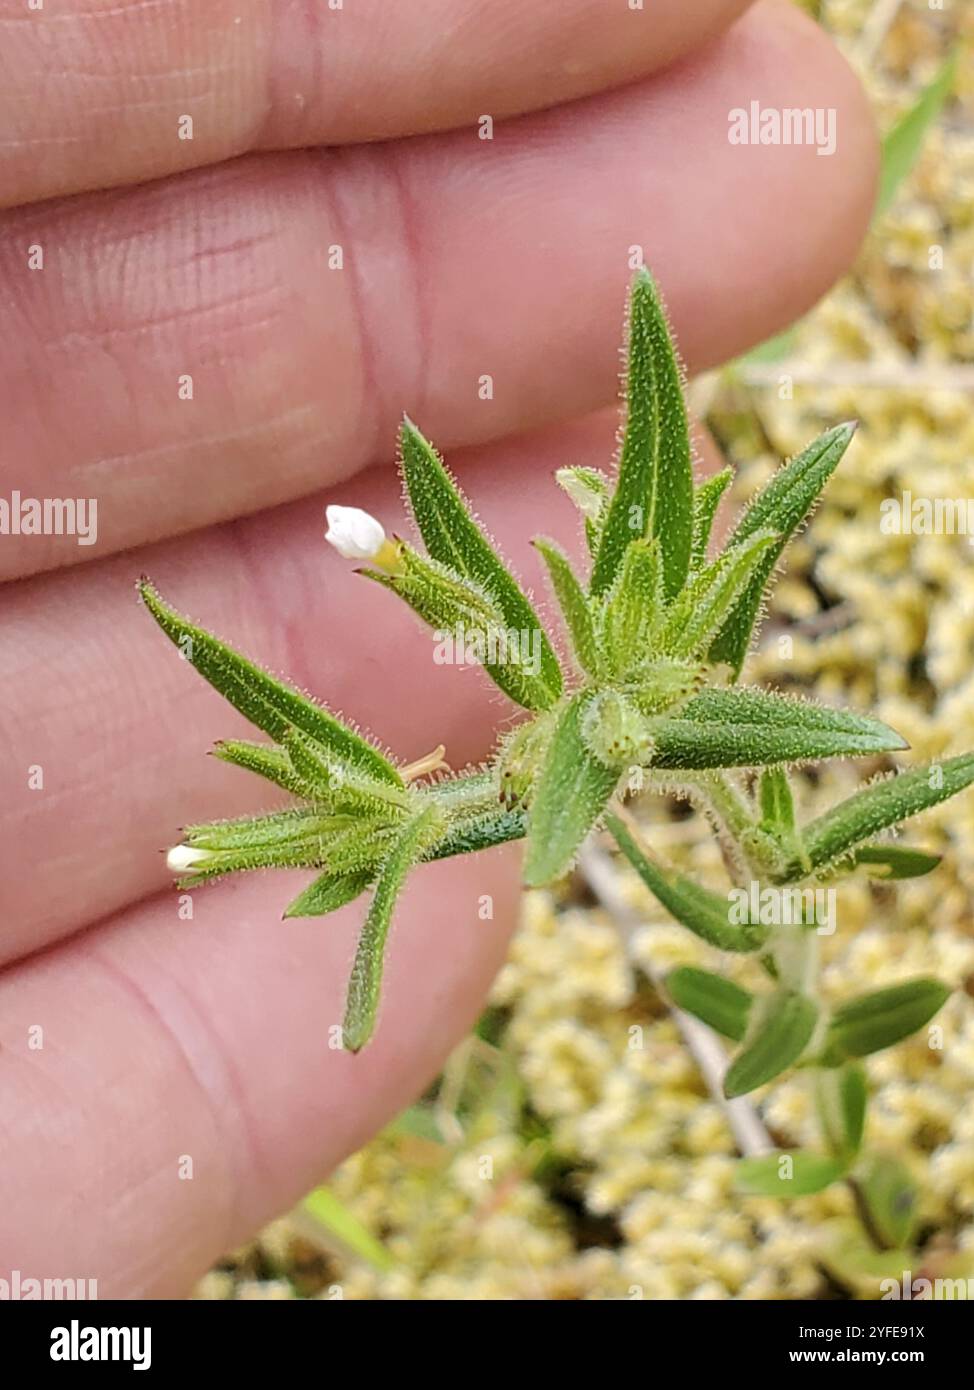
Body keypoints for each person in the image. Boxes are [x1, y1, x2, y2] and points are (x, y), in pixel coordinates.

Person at [0, 0, 877, 1297]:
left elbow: (618, 706)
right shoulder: (571, 707)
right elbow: (584, 729)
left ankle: (842, 1171)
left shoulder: (623, 670)